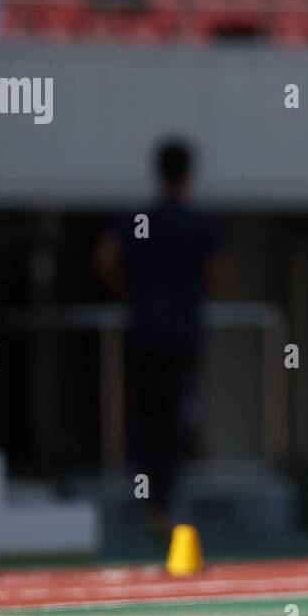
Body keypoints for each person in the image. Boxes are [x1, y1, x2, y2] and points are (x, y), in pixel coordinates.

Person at [95, 138, 229, 534]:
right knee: (171, 420)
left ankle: (148, 499)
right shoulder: (198, 223)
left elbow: (104, 259)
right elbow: (219, 273)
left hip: (143, 329)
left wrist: (131, 291)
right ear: (188, 173)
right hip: (180, 332)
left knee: (144, 415)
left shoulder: (139, 218)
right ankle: (161, 505)